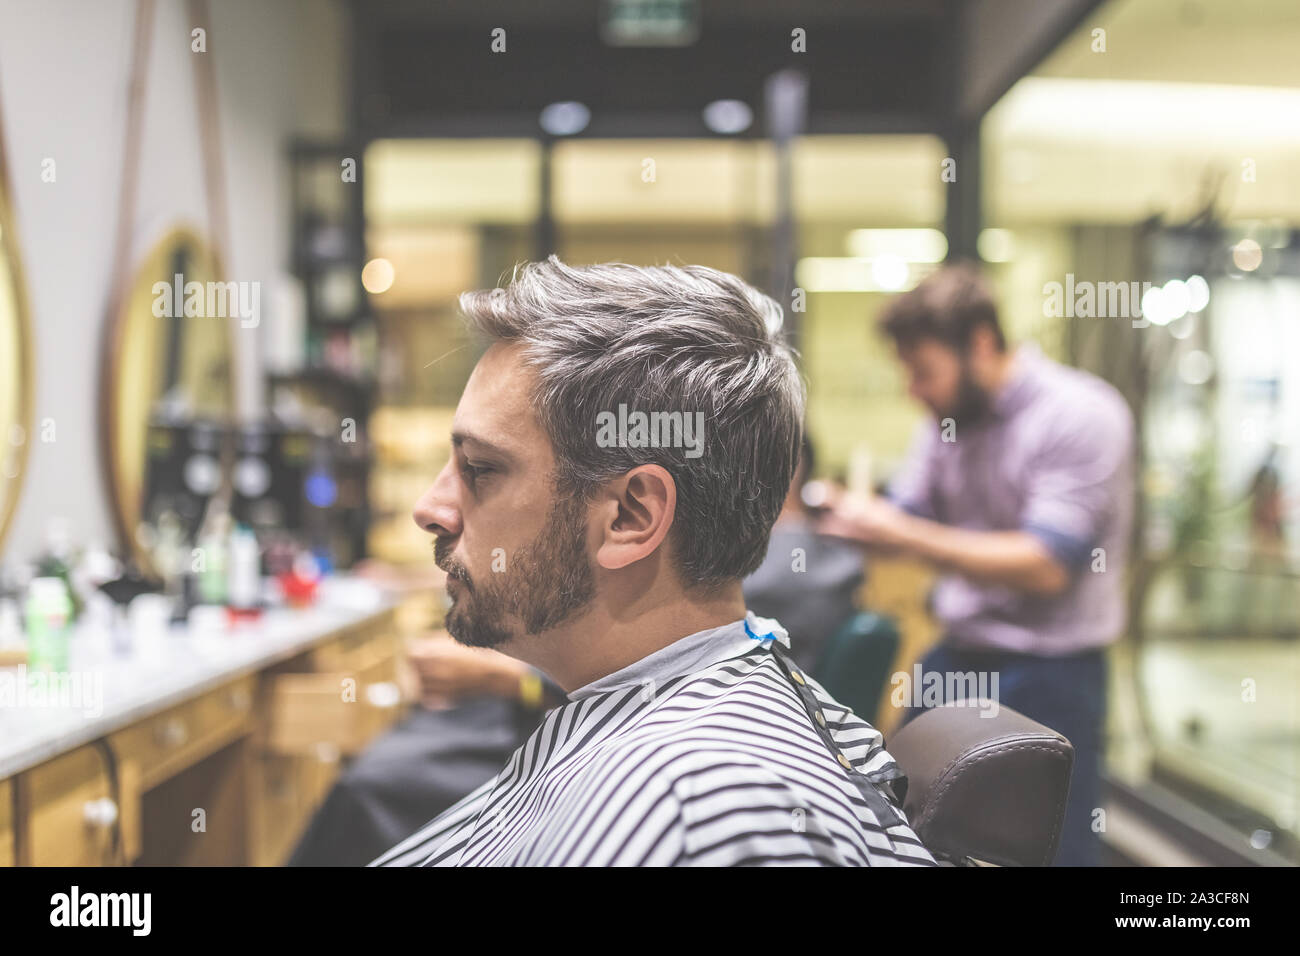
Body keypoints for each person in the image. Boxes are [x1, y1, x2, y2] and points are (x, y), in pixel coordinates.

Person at [371, 257, 935, 867]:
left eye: (479, 470)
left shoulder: (717, 814)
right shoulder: (651, 724)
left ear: (631, 517)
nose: (431, 509)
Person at [818, 261, 1135, 867]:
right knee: (910, 836)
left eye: (924, 372)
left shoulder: (1080, 415)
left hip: (1051, 669)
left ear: (982, 344)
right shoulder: (946, 423)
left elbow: (1045, 564)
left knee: (1052, 854)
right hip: (957, 655)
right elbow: (905, 516)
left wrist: (901, 529)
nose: (914, 389)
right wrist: (847, 518)